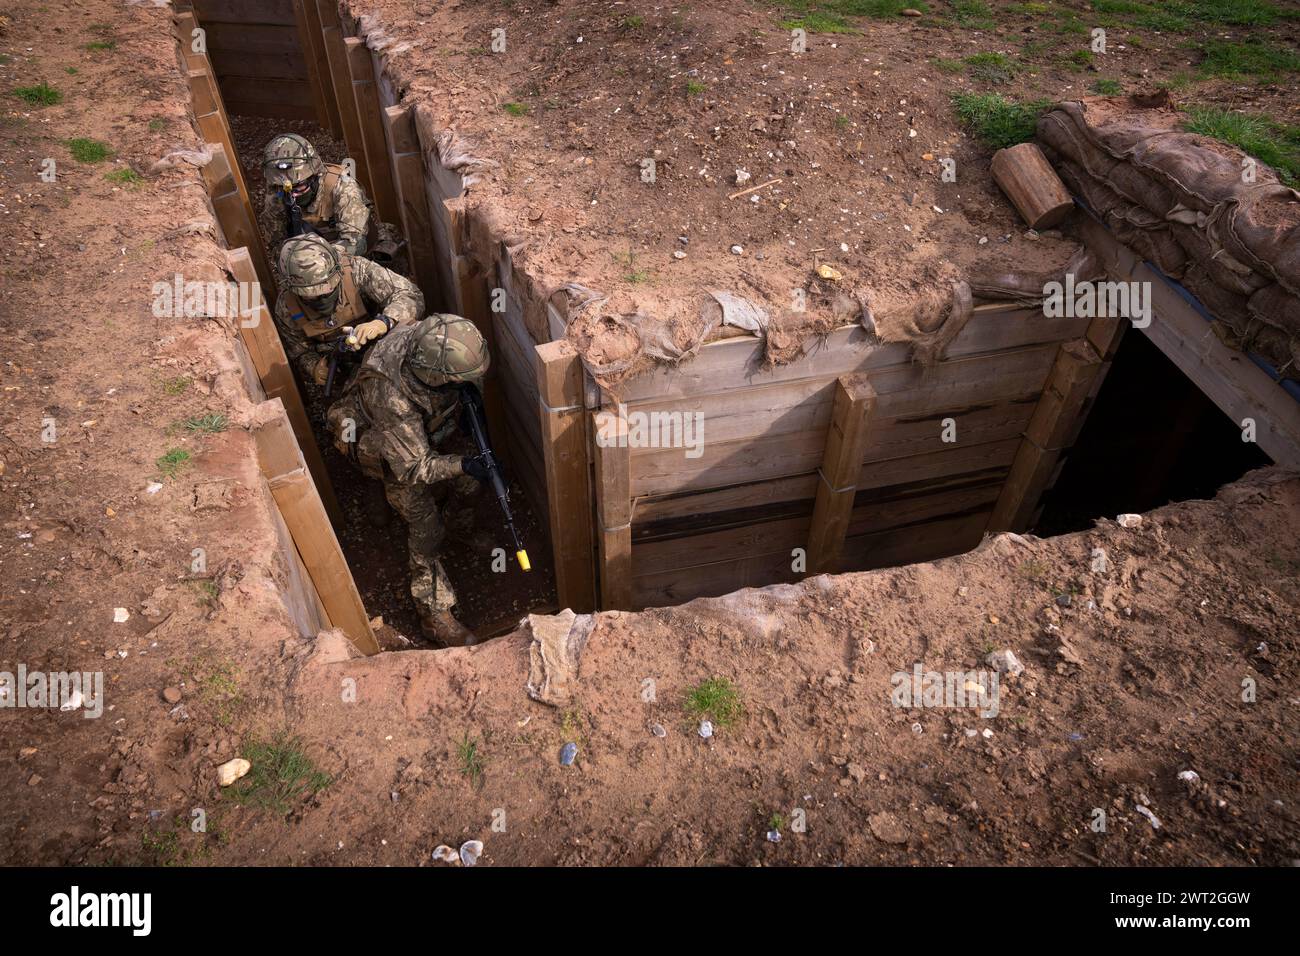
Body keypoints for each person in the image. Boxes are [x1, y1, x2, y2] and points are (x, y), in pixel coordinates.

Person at [326, 314, 493, 645]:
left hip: (416, 434)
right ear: (434, 375)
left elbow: (407, 297)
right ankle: (433, 614)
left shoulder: (434, 336)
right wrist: (464, 464)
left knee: (470, 486)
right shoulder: (392, 397)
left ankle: (459, 527)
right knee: (425, 526)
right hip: (380, 447)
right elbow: (414, 467)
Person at [273, 234, 423, 388]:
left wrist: (383, 322)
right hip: (341, 363)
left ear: (336, 271)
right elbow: (298, 351)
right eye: (310, 296)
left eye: (326, 289)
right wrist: (315, 367)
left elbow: (410, 294)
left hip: (385, 342)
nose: (320, 297)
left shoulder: (356, 270)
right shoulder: (287, 307)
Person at [261, 132, 372, 255]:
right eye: (286, 188)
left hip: (344, 253)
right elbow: (276, 243)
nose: (293, 194)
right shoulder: (277, 194)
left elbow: (355, 243)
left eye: (299, 186)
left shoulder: (343, 188)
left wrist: (319, 259)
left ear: (314, 176)